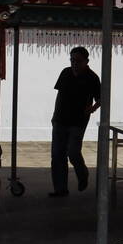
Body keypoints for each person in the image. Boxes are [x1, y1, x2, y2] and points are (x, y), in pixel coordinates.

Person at [50, 46, 102, 198]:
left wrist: (92, 109)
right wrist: (55, 116)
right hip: (60, 119)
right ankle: (60, 189)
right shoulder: (65, 73)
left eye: (78, 61)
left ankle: (82, 173)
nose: (74, 64)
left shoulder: (92, 78)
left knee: (72, 152)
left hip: (78, 121)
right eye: (72, 60)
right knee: (58, 155)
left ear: (86, 61)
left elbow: (100, 98)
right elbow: (59, 95)